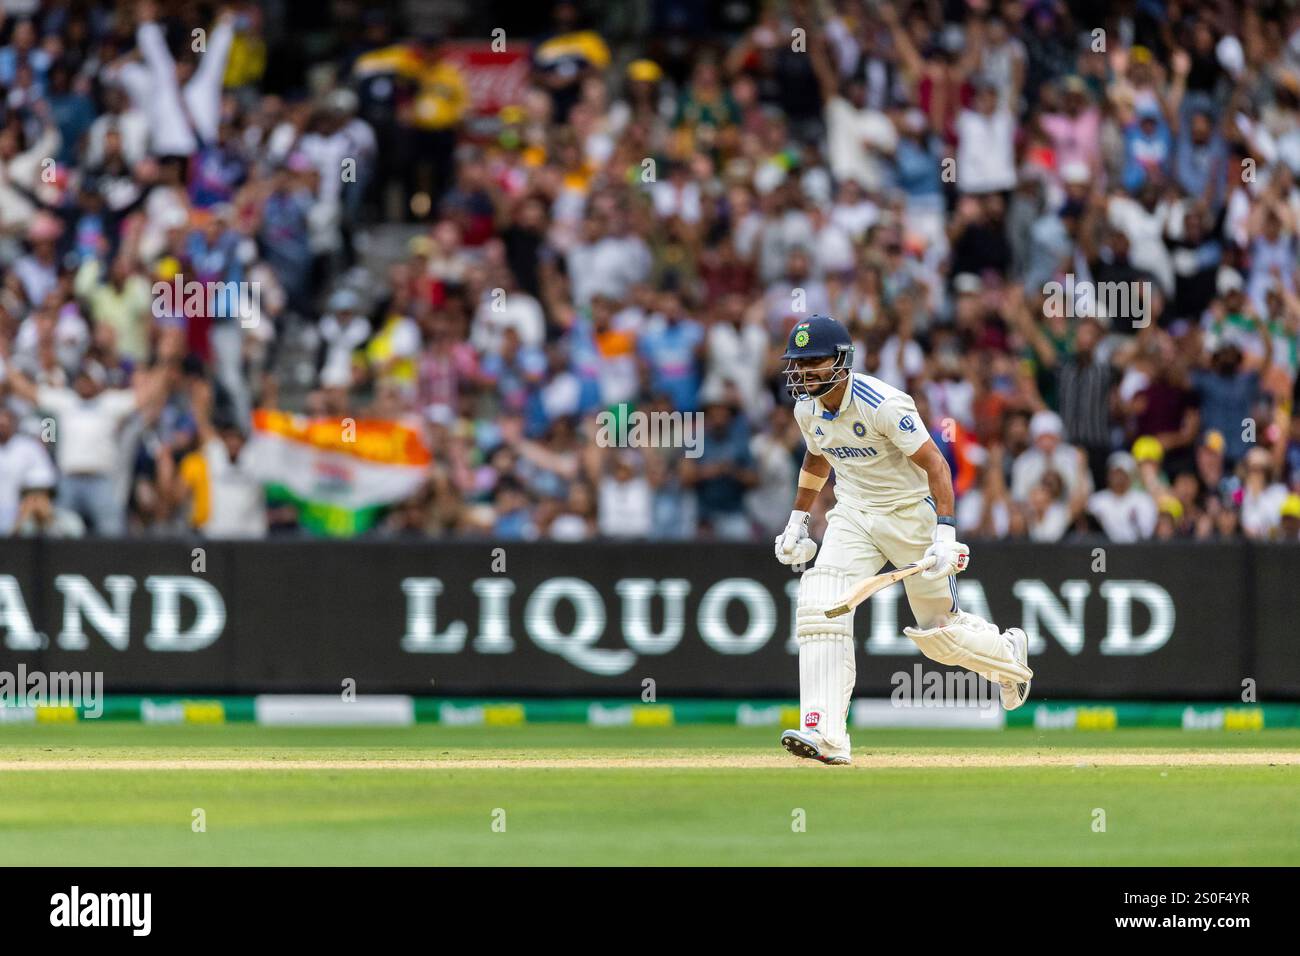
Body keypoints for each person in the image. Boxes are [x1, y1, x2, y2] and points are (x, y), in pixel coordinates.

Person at [772, 315, 1032, 766]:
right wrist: (797, 521)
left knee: (938, 634)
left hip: (911, 517)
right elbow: (817, 459)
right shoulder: (806, 409)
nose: (804, 372)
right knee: (819, 601)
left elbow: (937, 466)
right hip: (853, 515)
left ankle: (1007, 654)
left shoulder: (885, 404)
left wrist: (945, 535)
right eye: (798, 363)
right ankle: (826, 732)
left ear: (841, 360)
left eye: (814, 362)